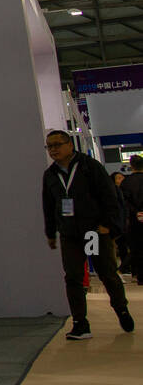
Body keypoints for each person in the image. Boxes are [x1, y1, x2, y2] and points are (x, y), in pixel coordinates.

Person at [41, 132, 132, 339]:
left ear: (69, 145)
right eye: (49, 146)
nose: (53, 149)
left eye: (57, 145)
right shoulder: (50, 175)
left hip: (93, 232)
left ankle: (121, 309)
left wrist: (109, 225)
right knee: (72, 277)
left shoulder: (90, 167)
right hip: (69, 234)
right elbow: (48, 205)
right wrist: (50, 232)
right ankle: (80, 323)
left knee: (106, 272)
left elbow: (110, 197)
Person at [123, 156, 143, 285]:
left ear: (131, 166)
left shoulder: (126, 182)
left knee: (137, 248)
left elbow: (123, 202)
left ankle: (140, 275)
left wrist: (135, 213)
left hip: (134, 220)